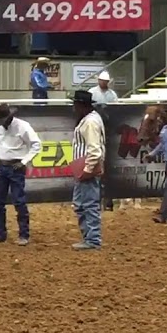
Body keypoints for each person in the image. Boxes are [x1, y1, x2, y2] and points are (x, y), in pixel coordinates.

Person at [0, 104, 42, 246]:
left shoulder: (23, 126)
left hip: (15, 166)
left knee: (19, 201)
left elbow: (36, 144)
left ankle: (23, 234)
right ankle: (0, 233)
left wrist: (24, 161)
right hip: (2, 165)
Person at [70, 89, 106, 251]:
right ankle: (89, 237)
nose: (74, 108)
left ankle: (93, 239)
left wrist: (88, 168)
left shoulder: (90, 122)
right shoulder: (91, 119)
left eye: (75, 104)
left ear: (81, 105)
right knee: (81, 204)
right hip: (84, 166)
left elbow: (94, 149)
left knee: (88, 204)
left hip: (86, 167)